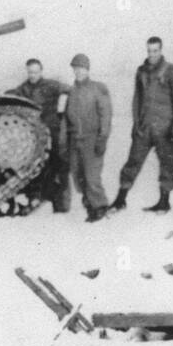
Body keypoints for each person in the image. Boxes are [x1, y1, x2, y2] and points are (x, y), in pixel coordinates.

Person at [110, 37, 173, 214]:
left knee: (167, 163)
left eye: (155, 51)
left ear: (161, 50)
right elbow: (137, 98)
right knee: (133, 161)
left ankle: (164, 201)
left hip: (164, 127)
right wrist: (136, 122)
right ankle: (120, 199)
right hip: (144, 127)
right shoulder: (141, 71)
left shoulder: (171, 71)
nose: (152, 54)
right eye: (149, 51)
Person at [11, 58, 70, 213]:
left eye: (35, 72)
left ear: (41, 71)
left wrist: (62, 111)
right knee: (35, 166)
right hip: (33, 134)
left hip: (52, 129)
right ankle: (34, 197)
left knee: (58, 165)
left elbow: (69, 90)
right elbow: (9, 97)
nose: (33, 75)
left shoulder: (51, 85)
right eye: (30, 72)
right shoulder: (23, 89)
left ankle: (60, 204)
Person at [65, 53, 113, 222]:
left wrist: (102, 138)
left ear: (87, 69)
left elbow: (105, 115)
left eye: (82, 68)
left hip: (91, 139)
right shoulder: (71, 91)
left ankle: (100, 206)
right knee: (78, 176)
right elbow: (66, 117)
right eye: (76, 68)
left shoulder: (97, 88)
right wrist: (65, 142)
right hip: (75, 139)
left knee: (92, 176)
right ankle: (90, 206)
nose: (78, 72)